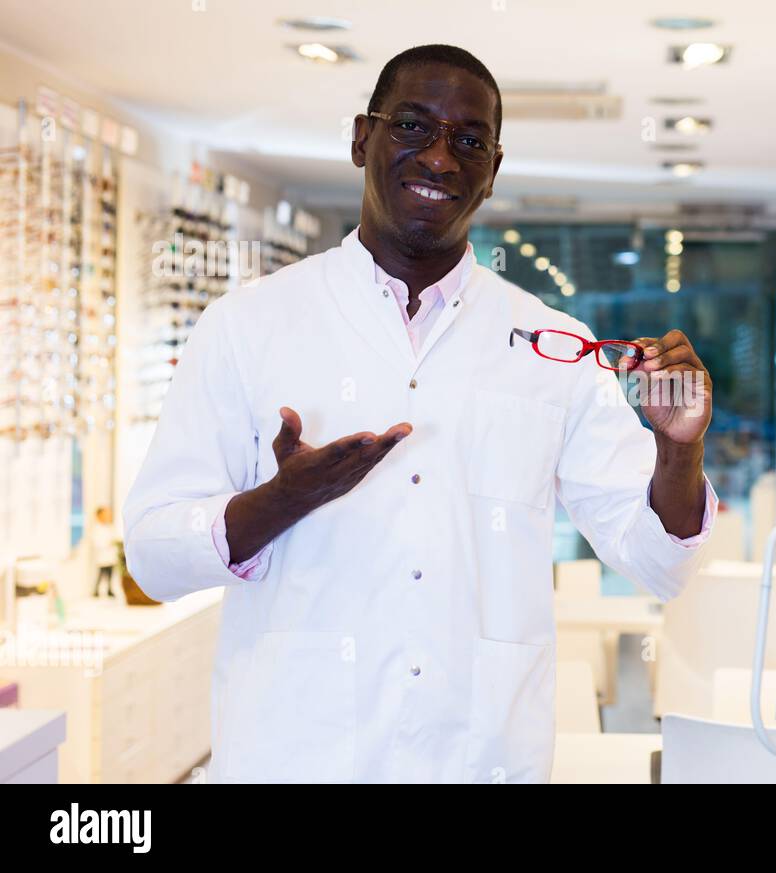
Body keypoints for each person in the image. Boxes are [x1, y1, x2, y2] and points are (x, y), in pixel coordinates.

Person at [123, 44, 716, 783]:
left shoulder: (551, 346)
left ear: (492, 170)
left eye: (469, 140)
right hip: (295, 757)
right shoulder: (247, 326)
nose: (439, 157)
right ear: (361, 138)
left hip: (478, 759)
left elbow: (659, 564)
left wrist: (679, 450)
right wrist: (281, 501)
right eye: (412, 126)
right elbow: (152, 556)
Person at [90, 506, 117, 598]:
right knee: (101, 573)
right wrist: (107, 543)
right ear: (99, 515)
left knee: (110, 573)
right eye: (105, 514)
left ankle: (109, 590)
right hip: (102, 555)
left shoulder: (109, 527)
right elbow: (97, 542)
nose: (107, 516)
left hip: (110, 555)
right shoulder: (96, 529)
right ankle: (96, 590)